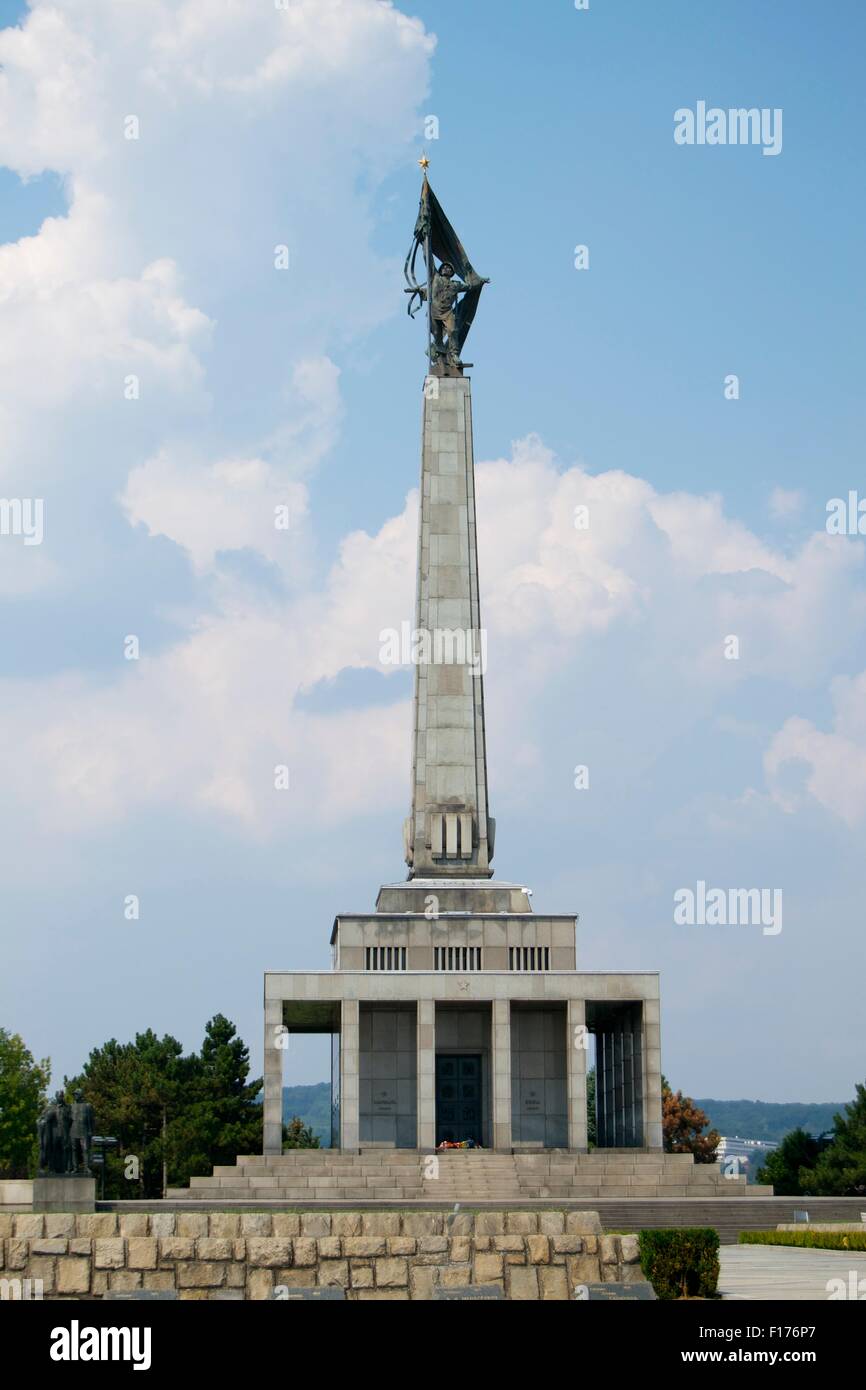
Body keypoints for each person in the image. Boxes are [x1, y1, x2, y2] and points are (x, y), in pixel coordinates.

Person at [430, 260, 489, 366]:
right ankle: (437, 351)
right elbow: (429, 261)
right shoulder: (435, 278)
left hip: (447, 312)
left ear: (452, 272)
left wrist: (480, 281)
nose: (445, 269)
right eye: (443, 267)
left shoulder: (456, 285)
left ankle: (454, 354)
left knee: (452, 330)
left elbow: (470, 286)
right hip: (435, 311)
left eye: (448, 268)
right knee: (436, 334)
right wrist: (425, 246)